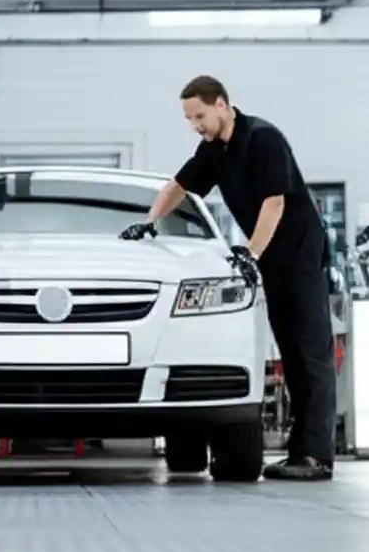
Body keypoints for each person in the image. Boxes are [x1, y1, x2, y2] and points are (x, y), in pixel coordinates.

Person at [119, 75, 336, 481]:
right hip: (270, 258)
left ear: (222, 105)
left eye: (199, 115)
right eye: (189, 119)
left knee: (310, 356)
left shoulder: (264, 139)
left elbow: (274, 204)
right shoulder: (214, 150)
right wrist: (149, 223)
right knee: (291, 357)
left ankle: (316, 457)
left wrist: (250, 252)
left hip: (300, 255)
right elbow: (177, 187)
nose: (195, 124)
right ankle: (300, 453)